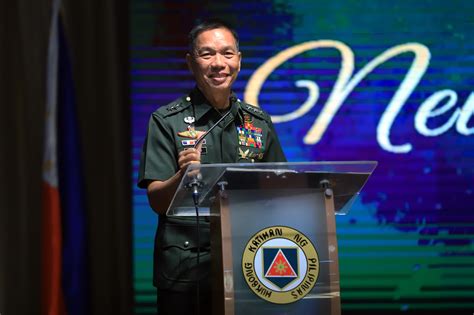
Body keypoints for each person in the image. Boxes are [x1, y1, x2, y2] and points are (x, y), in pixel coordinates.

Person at [137, 19, 287, 314]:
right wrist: (183, 177)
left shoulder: (258, 122)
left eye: (227, 53)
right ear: (191, 63)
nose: (219, 63)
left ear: (239, 61)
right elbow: (156, 199)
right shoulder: (166, 120)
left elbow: (281, 190)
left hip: (249, 265)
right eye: (207, 54)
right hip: (186, 272)